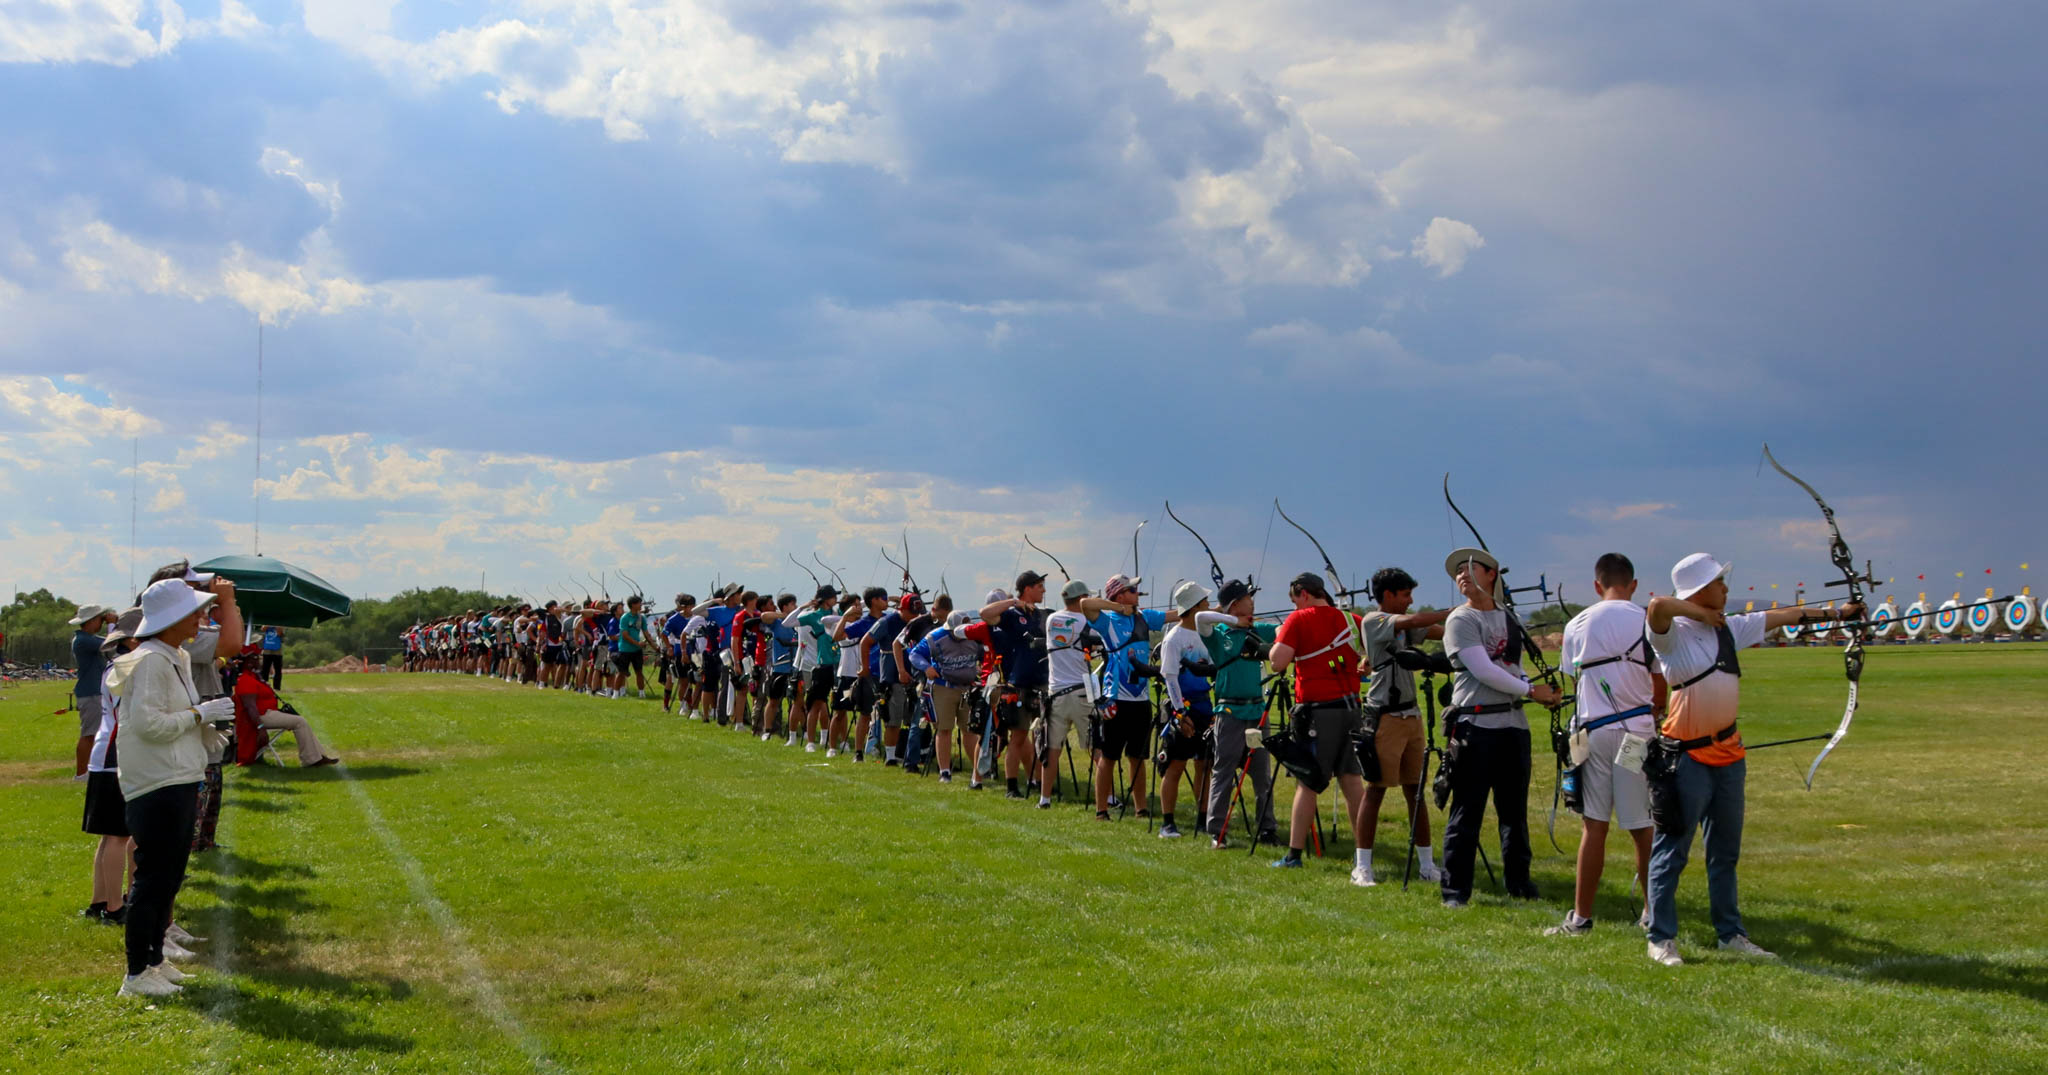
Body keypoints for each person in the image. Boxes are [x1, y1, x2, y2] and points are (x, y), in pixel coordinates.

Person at [1641, 553, 1858, 967]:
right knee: (1672, 851)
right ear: (1699, 590)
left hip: (1729, 757)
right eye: (1718, 582)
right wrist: (1701, 613)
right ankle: (1661, 937)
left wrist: (1838, 614)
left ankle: (1731, 935)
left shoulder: (1730, 628)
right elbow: (1658, 606)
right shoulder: (1671, 636)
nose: (1726, 588)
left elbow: (1786, 615)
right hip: (1685, 760)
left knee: (1725, 853)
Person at [109, 578, 236, 997]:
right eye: (193, 612)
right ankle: (135, 974)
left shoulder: (175, 656)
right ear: (172, 618)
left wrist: (204, 732)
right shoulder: (151, 661)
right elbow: (149, 725)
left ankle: (154, 960)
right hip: (156, 781)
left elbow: (172, 715)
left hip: (179, 775)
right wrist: (199, 716)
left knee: (170, 877)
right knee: (153, 879)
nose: (201, 618)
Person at [1548, 553, 1665, 938]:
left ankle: (1581, 918)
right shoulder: (1647, 619)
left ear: (1597, 586)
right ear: (1633, 585)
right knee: (1642, 827)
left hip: (1592, 735)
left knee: (1593, 825)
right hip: (1635, 736)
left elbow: (1574, 680)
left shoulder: (1577, 624)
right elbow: (1660, 683)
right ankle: (1652, 913)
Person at [1437, 549, 1562, 905]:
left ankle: (1520, 884)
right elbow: (1483, 670)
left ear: (1492, 574)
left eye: (1470, 568)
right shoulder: (1460, 619)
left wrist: (1538, 690)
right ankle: (1455, 891)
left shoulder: (1509, 617)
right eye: (1458, 571)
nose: (1462, 575)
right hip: (1475, 727)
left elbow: (1512, 667)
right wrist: (1531, 691)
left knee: (1514, 812)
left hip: (1513, 726)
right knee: (1467, 811)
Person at [1266, 572, 1370, 870]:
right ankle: (1363, 854)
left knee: (1308, 782)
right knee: (1352, 780)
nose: (1295, 606)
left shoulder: (1298, 619)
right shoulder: (1352, 619)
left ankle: (1294, 855)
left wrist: (1279, 638)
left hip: (1317, 713)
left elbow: (1277, 662)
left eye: (1294, 600)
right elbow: (1372, 656)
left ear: (1303, 594)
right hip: (1352, 708)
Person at [1355, 568, 1452, 885]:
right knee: (1376, 789)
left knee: (1415, 792)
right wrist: (1454, 610)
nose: (1410, 601)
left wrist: (1466, 622)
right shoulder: (1375, 620)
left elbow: (1435, 631)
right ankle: (1362, 867)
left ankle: (1426, 866)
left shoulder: (1403, 624)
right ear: (1388, 595)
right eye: (1405, 594)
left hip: (1411, 716)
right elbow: (1413, 622)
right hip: (1385, 716)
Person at [1156, 582, 1250, 838]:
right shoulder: (1173, 638)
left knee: (1205, 764)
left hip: (1205, 705)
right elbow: (1170, 678)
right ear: (1195, 607)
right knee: (1175, 766)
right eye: (1205, 602)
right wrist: (1180, 713)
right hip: (1183, 708)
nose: (1209, 605)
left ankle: (1202, 819)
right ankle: (1167, 823)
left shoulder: (1206, 633)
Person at [1203, 580, 1278, 848]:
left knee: (1261, 774)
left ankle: (1267, 829)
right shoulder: (1218, 634)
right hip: (1230, 713)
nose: (1252, 602)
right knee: (1224, 772)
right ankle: (1217, 831)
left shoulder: (1258, 629)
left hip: (1256, 713)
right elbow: (1201, 618)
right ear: (1234, 605)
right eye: (1247, 598)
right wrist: (1233, 620)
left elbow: (1283, 631)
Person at [1087, 574, 1165, 820]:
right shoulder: (1108, 621)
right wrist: (1118, 607)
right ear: (1120, 595)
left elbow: (1177, 616)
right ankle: (1101, 810)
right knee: (1109, 756)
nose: (1137, 594)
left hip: (1141, 700)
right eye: (1132, 590)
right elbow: (1085, 604)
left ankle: (1141, 809)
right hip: (1116, 699)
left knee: (1138, 758)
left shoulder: (1144, 617)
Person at [83, 607, 142, 926]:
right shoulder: (124, 668)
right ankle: (115, 907)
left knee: (110, 837)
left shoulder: (116, 665)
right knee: (118, 836)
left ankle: (100, 901)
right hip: (114, 755)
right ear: (131, 641)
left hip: (106, 753)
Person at [1039, 580, 1109, 809]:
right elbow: (1099, 644)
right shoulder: (1087, 623)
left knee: (1052, 748)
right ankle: (1109, 798)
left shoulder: (1052, 620)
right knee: (1096, 748)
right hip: (1082, 692)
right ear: (1082, 599)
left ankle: (1045, 799)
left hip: (1056, 694)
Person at [70, 604, 113, 778]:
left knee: (93, 733)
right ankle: (81, 774)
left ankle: (87, 771)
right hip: (90, 693)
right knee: (89, 734)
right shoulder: (83, 640)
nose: (102, 622)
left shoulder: (87, 639)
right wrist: (112, 624)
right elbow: (112, 644)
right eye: (100, 619)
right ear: (92, 621)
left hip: (93, 692)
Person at [618, 595, 649, 699]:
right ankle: (615, 693)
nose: (641, 605)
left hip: (637, 650)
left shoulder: (641, 617)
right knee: (621, 672)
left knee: (639, 671)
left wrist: (654, 645)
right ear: (633, 605)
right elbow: (625, 635)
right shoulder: (625, 617)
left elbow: (646, 633)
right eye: (639, 603)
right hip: (625, 649)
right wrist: (637, 643)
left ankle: (641, 693)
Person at [258, 624, 285, 688]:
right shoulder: (267, 623)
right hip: (267, 651)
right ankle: (264, 686)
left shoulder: (281, 624)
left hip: (277, 651)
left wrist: (275, 624)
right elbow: (263, 629)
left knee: (277, 670)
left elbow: (279, 633)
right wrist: (269, 623)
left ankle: (277, 687)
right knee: (265, 670)